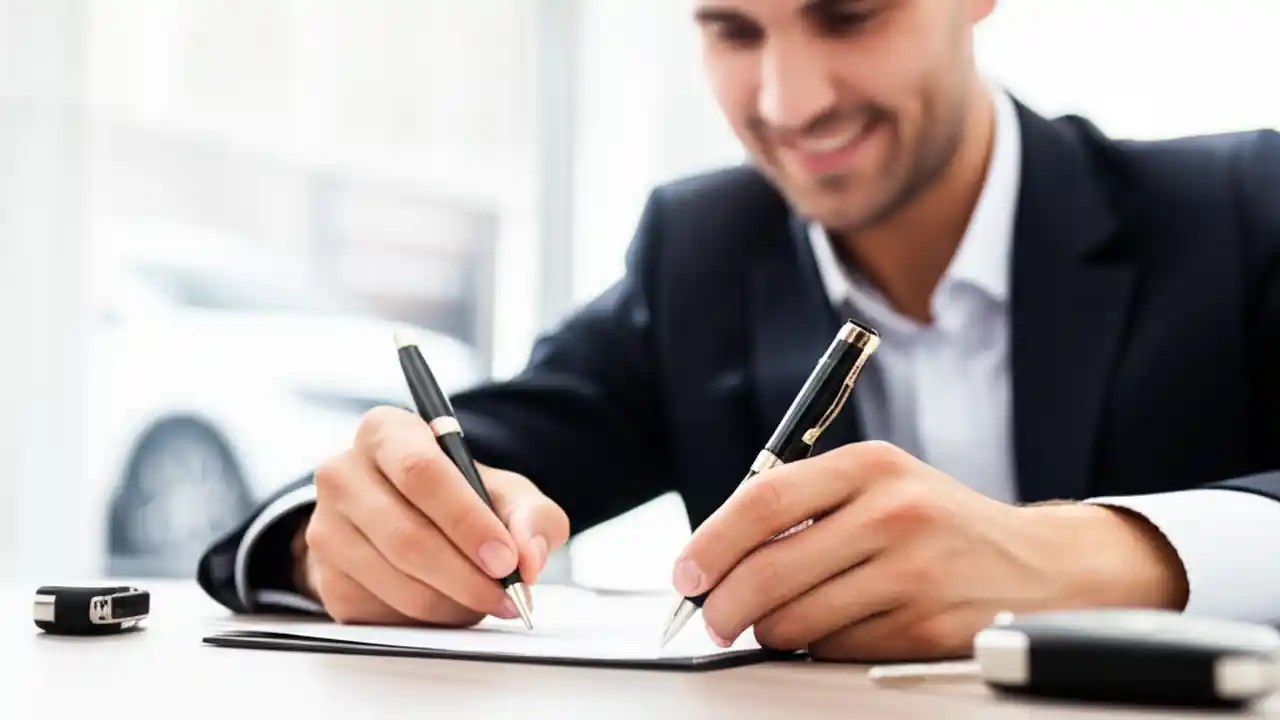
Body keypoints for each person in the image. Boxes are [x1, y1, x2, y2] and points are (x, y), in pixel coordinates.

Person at [197, 0, 1280, 661]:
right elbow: (475, 458)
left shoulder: (1240, 210)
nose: (789, 100)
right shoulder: (701, 253)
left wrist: (1098, 559)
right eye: (731, 28)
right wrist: (341, 536)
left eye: (848, 14)